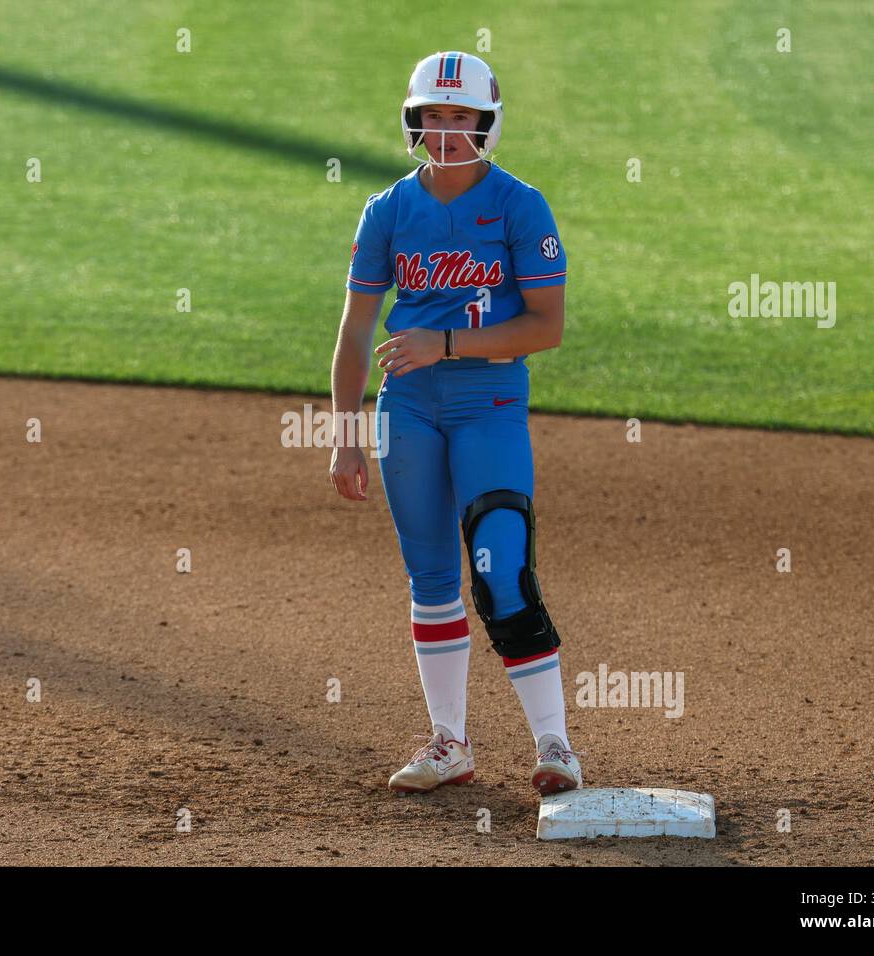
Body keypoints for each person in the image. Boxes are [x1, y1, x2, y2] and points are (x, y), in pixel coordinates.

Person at [328, 51, 582, 796]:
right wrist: (345, 435)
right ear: (415, 121)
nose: (446, 131)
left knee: (502, 568)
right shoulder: (386, 211)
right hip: (407, 410)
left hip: (490, 404)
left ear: (486, 123)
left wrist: (446, 343)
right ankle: (450, 744)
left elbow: (546, 327)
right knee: (432, 577)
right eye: (433, 116)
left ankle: (555, 744)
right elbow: (352, 333)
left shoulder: (518, 205)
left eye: (460, 117)